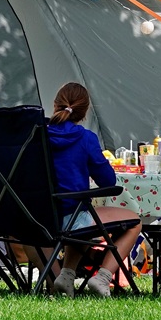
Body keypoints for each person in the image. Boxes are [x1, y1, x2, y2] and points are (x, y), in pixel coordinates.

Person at [46, 82, 143, 297]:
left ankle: (66, 276)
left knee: (81, 216)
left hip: (36, 217)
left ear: (55, 105)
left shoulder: (36, 136)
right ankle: (102, 278)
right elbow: (108, 183)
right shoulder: (85, 138)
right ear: (85, 111)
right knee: (134, 222)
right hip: (70, 217)